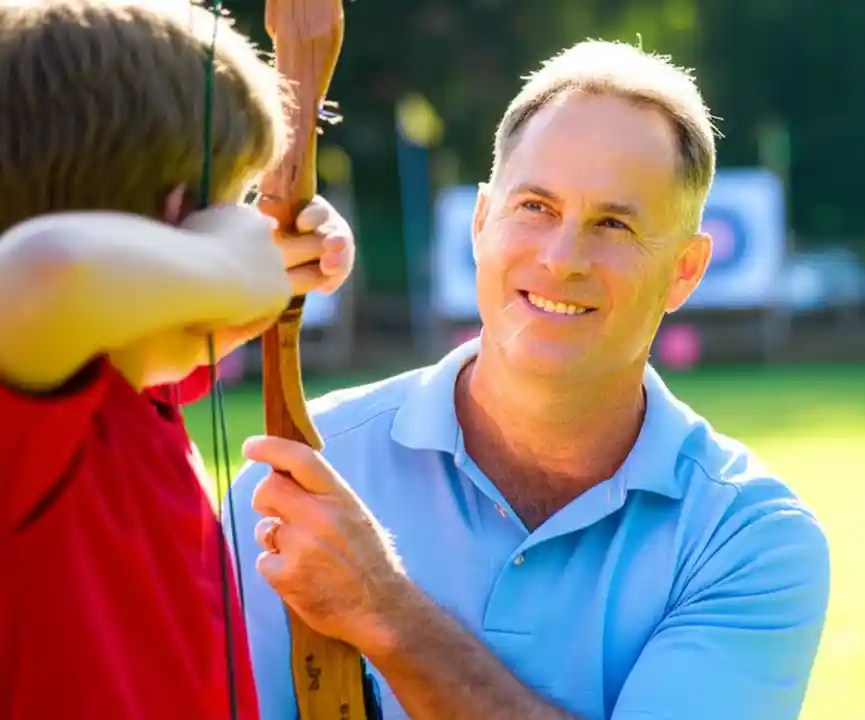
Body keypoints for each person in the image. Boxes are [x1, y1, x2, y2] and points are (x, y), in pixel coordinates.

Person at [226, 39, 830, 720]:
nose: (561, 258)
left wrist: (383, 609)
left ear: (685, 271)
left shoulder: (748, 538)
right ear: (481, 221)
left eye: (613, 224)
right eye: (535, 207)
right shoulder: (299, 474)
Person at [0, 1, 357, 718]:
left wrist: (288, 258)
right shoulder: (31, 416)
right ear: (175, 219)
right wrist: (228, 267)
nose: (245, 231)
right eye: (231, 204)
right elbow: (50, 269)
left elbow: (196, 317)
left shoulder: (136, 389)